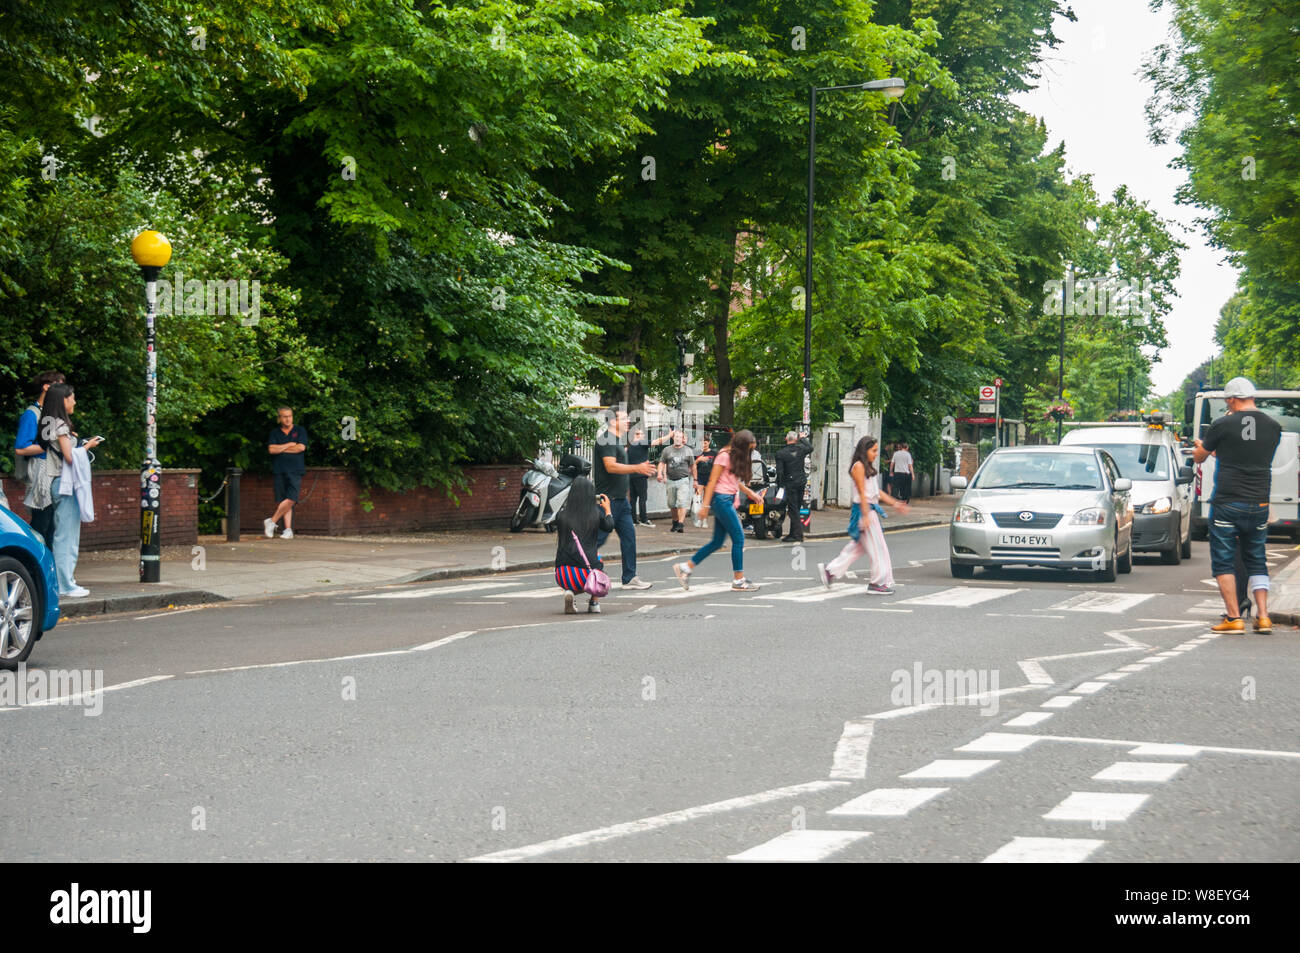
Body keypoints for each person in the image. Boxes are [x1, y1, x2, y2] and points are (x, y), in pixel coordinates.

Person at [1193, 377, 1282, 634]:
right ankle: (1263, 617)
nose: (1226, 406)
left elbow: (1200, 458)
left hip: (1228, 502)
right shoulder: (1273, 426)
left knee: (1224, 561)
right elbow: (1253, 456)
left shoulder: (1222, 424)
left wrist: (1203, 448)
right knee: (1256, 559)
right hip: (1260, 501)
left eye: (1227, 402)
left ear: (1232, 399)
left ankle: (1234, 618)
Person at [27, 383, 102, 597]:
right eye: (72, 398)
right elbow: (70, 457)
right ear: (63, 400)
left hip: (55, 483)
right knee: (66, 537)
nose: (75, 402)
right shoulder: (60, 424)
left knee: (60, 534)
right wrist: (86, 447)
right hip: (64, 484)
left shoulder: (47, 422)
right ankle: (65, 585)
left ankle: (63, 581)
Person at [672, 430, 765, 592]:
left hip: (727, 500)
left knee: (717, 542)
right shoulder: (723, 456)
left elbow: (733, 480)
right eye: (749, 449)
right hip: (721, 501)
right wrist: (705, 507)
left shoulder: (734, 456)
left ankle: (685, 568)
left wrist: (750, 493)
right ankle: (738, 580)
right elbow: (713, 481)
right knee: (739, 538)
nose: (750, 453)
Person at [817, 436, 909, 594]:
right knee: (878, 549)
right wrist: (866, 516)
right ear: (864, 450)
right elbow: (862, 493)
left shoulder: (867, 467)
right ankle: (877, 583)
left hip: (868, 510)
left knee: (857, 548)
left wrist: (895, 503)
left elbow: (876, 492)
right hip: (864, 511)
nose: (875, 454)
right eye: (873, 450)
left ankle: (830, 571)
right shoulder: (858, 466)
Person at [594, 409, 655, 589]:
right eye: (624, 418)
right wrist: (637, 468)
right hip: (608, 501)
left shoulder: (617, 441)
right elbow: (610, 466)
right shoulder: (607, 440)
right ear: (613, 421)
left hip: (621, 500)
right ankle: (579, 568)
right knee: (597, 539)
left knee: (629, 539)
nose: (628, 421)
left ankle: (629, 578)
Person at [12, 370, 65, 548]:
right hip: (40, 474)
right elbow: (21, 448)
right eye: (59, 384)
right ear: (46, 387)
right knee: (42, 524)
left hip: (50, 473)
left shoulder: (49, 414)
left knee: (50, 525)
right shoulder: (32, 414)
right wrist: (45, 446)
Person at [554, 476, 615, 614]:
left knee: (574, 573)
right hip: (585, 574)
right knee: (598, 562)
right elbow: (609, 526)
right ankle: (594, 603)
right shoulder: (595, 514)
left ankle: (569, 592)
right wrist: (608, 510)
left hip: (562, 573)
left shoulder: (561, 515)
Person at [265, 406, 308, 539]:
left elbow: (300, 447)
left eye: (290, 416)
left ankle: (272, 521)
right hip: (280, 469)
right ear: (279, 418)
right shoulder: (275, 433)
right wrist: (289, 444)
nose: (288, 419)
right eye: (284, 416)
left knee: (292, 498)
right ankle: (288, 530)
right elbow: (271, 450)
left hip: (295, 469)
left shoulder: (300, 430)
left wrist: (281, 448)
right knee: (283, 499)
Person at [774, 430, 812, 542]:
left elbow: (780, 472)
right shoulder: (801, 449)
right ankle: (792, 534)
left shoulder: (781, 453)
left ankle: (798, 534)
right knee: (796, 508)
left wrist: (780, 486)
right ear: (795, 439)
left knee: (793, 509)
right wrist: (803, 438)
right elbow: (810, 447)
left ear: (786, 439)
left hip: (790, 483)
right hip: (801, 481)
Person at [657, 430, 697, 533]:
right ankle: (675, 521)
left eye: (680, 437)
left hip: (683, 480)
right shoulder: (667, 450)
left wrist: (695, 480)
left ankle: (680, 523)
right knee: (671, 503)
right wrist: (659, 474)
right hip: (670, 480)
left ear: (683, 439)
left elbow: (693, 466)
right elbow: (661, 463)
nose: (678, 439)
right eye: (676, 437)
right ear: (673, 438)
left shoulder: (688, 451)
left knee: (681, 502)